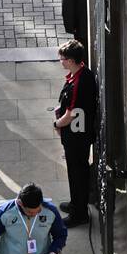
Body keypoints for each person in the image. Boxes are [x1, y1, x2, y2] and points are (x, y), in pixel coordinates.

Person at [53, 39, 98, 226]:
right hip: (76, 134)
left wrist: (57, 124)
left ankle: (79, 213)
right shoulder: (79, 74)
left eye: (62, 58)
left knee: (77, 174)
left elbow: (71, 114)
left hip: (76, 136)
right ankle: (76, 204)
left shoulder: (80, 81)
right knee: (76, 171)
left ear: (71, 60)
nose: (61, 61)